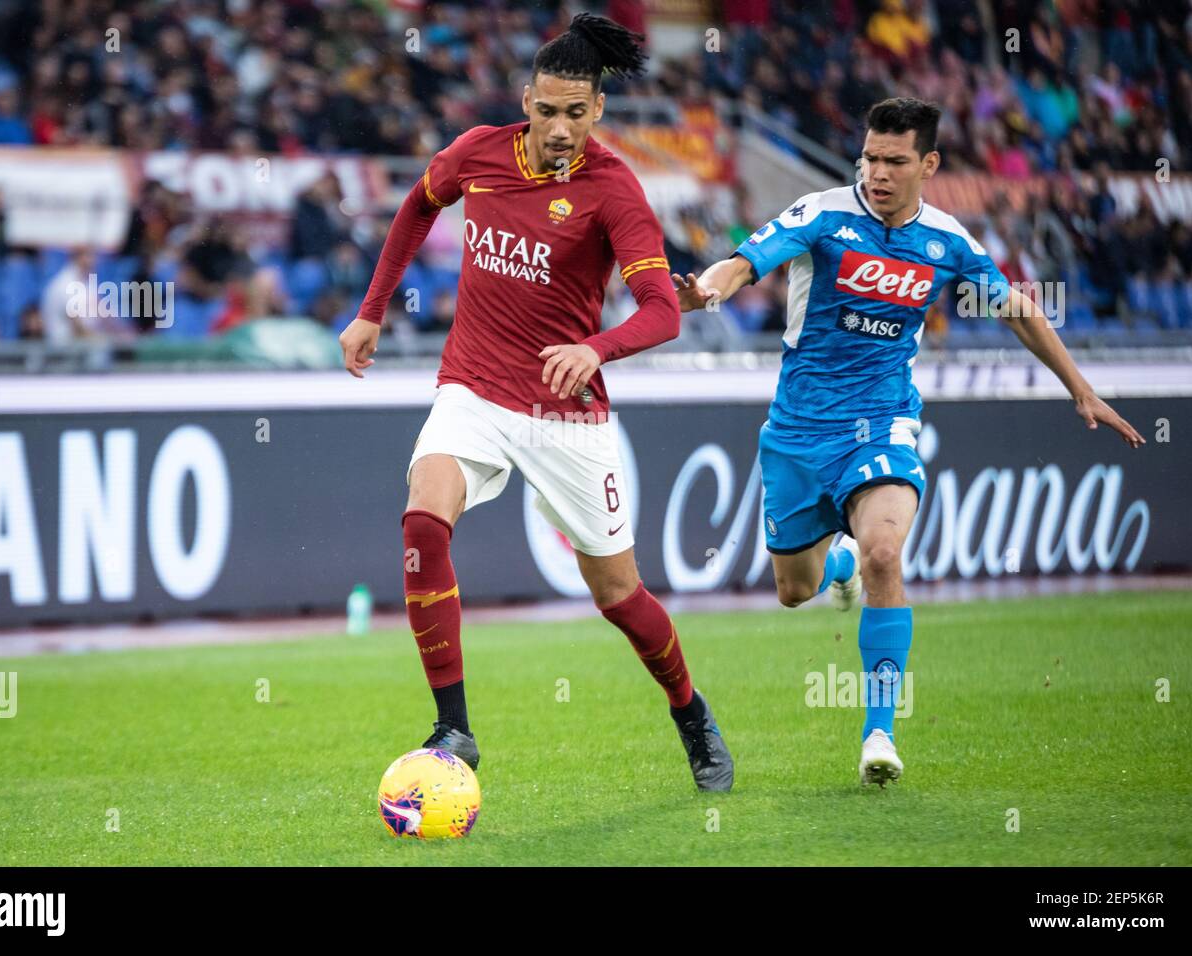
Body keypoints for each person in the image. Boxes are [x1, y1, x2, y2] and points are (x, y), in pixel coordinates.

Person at [673, 97, 1142, 787]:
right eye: (870, 158)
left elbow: (1015, 307)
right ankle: (838, 566)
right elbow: (745, 262)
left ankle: (879, 734)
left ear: (929, 164)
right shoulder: (823, 214)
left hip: (883, 421)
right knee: (792, 592)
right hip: (799, 432)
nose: (878, 173)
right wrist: (706, 292)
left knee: (887, 552)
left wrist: (1080, 387)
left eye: (895, 161)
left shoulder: (948, 242)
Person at [337, 13, 733, 791]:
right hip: (474, 387)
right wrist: (372, 309)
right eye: (546, 109)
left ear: (599, 111)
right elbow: (418, 205)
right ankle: (454, 723)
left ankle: (691, 713)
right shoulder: (479, 153)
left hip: (565, 411)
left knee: (619, 595)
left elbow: (659, 309)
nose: (558, 127)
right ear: (528, 98)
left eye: (575, 112)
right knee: (423, 516)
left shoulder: (614, 187)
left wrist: (596, 347)